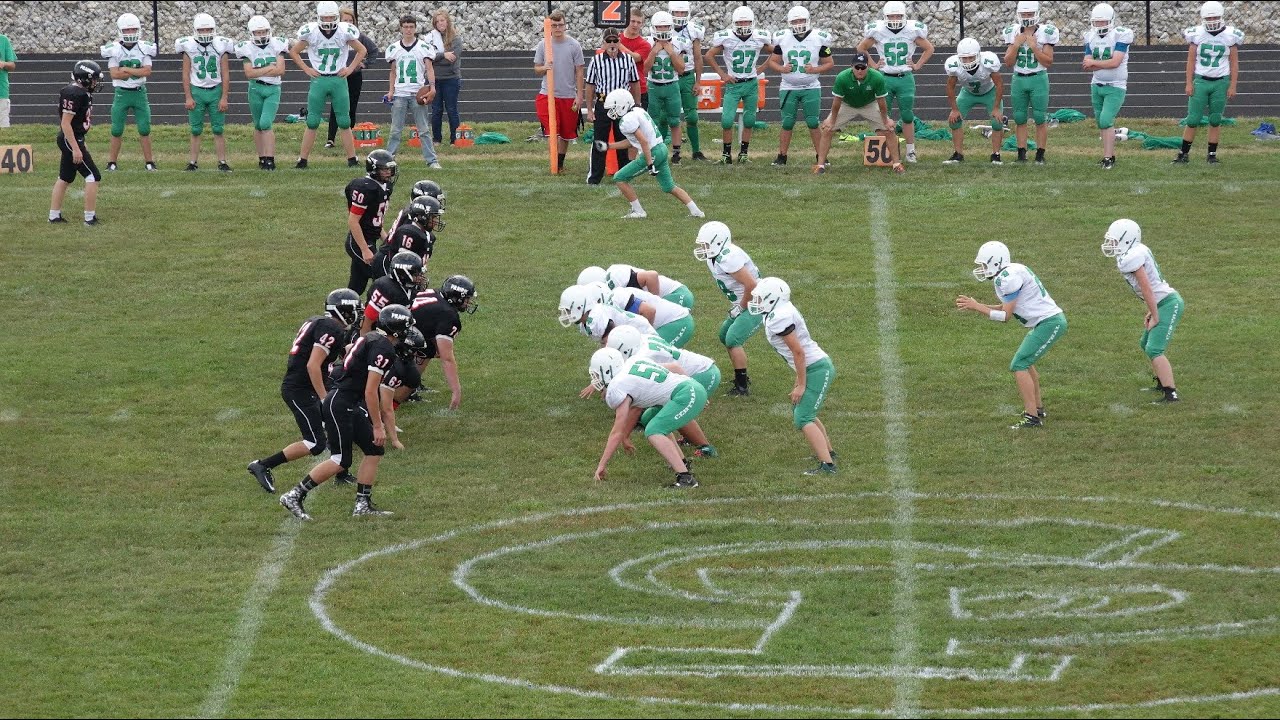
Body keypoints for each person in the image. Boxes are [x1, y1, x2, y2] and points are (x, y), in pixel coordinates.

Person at [279, 304, 414, 520]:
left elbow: (352, 352)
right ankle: (294, 495)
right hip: (341, 403)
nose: (409, 332)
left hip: (345, 400)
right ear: (396, 330)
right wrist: (378, 425)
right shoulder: (384, 349)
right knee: (341, 459)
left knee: (373, 450)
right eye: (407, 327)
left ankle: (362, 504)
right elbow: (371, 391)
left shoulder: (371, 337)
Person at [247, 288, 363, 493]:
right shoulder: (330, 329)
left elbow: (332, 353)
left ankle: (342, 472)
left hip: (309, 384)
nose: (358, 313)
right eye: (354, 309)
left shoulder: (323, 323)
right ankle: (262, 465)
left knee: (340, 422)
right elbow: (312, 365)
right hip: (301, 389)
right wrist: (324, 399)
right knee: (315, 443)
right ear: (344, 310)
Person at [956, 241, 1068, 430]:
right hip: (1047, 322)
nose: (982, 269)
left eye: (984, 265)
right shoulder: (1013, 270)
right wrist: (978, 306)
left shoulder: (1007, 279)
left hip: (1049, 323)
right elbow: (1006, 307)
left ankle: (1032, 416)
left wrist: (978, 307)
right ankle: (1038, 409)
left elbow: (1004, 316)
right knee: (1026, 361)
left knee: (1019, 364)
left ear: (995, 262)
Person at [748, 277, 838, 475]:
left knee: (803, 417)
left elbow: (799, 352)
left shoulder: (780, 317)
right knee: (803, 411)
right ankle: (828, 451)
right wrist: (799, 378)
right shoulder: (778, 311)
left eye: (761, 298)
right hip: (813, 366)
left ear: (773, 299)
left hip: (817, 367)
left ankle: (827, 465)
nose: (756, 302)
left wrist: (801, 384)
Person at [589, 348, 708, 489]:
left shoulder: (618, 386)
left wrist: (602, 465)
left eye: (597, 373)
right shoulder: (633, 361)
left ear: (607, 371)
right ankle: (682, 462)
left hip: (685, 393)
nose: (595, 378)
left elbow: (617, 432)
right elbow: (674, 368)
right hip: (690, 387)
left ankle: (686, 479)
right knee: (649, 417)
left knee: (653, 431)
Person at [1101, 220, 1183, 404]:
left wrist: (1155, 314)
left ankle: (1171, 393)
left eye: (1114, 240)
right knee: (1145, 342)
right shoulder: (1135, 251)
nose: (1111, 244)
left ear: (1126, 239)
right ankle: (1162, 382)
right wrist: (1151, 310)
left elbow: (1147, 288)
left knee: (1155, 348)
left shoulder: (1132, 257)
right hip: (1162, 302)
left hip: (1168, 303)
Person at [597, 89, 704, 220]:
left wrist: (649, 163)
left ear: (623, 105)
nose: (612, 111)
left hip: (652, 152)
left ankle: (638, 211)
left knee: (620, 178)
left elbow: (643, 141)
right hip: (661, 148)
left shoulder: (627, 120)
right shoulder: (638, 111)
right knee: (669, 186)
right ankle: (696, 211)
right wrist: (609, 146)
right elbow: (632, 142)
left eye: (614, 108)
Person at [290, 0, 367, 169]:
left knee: (344, 121)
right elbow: (294, 51)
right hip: (319, 79)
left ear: (337, 17)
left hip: (338, 79)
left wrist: (350, 68)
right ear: (319, 17)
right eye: (324, 18)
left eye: (331, 17)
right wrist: (307, 69)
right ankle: (302, 160)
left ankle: (352, 159)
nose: (327, 21)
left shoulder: (343, 31)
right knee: (312, 121)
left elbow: (362, 50)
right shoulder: (311, 32)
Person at [858, 1, 933, 164]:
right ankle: (885, 150)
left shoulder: (912, 30)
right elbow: (861, 48)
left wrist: (918, 64)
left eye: (898, 15)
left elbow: (929, 48)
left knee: (907, 115)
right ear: (885, 17)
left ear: (904, 16)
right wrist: (873, 64)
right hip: (884, 78)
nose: (895, 19)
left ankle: (910, 151)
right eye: (892, 16)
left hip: (905, 78)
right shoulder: (878, 30)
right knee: (883, 116)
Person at [694, 221, 762, 396]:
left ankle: (742, 387)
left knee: (733, 339)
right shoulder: (715, 256)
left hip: (757, 302)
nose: (703, 248)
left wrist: (740, 308)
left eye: (706, 244)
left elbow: (752, 286)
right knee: (724, 336)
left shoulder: (728, 258)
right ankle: (741, 377)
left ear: (718, 242)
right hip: (745, 301)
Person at [1174, 1, 1243, 165]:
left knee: (1215, 119)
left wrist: (1233, 85)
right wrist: (1189, 83)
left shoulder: (1230, 35)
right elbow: (1190, 61)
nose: (1212, 20)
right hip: (1201, 81)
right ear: (1203, 18)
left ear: (1221, 17)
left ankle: (1211, 155)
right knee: (1193, 119)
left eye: (1215, 17)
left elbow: (1234, 63)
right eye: (1209, 17)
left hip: (1221, 82)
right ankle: (1183, 154)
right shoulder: (1197, 34)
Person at [813, 52, 904, 174]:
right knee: (827, 130)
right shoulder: (842, 77)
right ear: (852, 67)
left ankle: (897, 164)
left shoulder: (877, 77)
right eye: (857, 67)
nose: (860, 70)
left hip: (870, 104)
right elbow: (836, 103)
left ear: (868, 67)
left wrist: (886, 120)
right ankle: (820, 165)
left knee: (889, 130)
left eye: (863, 67)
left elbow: (881, 102)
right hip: (847, 104)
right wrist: (832, 120)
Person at [768, 5, 835, 166]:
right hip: (788, 86)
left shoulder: (819, 38)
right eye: (795, 20)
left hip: (811, 86)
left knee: (813, 122)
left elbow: (830, 63)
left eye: (801, 20)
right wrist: (782, 69)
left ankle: (821, 157)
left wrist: (815, 69)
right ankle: (782, 156)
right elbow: (772, 61)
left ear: (808, 21)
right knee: (787, 122)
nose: (798, 23)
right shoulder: (782, 38)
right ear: (790, 22)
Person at [705, 6, 773, 164]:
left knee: (749, 120)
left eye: (746, 22)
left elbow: (776, 51)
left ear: (752, 23)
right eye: (740, 23)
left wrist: (762, 68)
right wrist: (723, 75)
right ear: (734, 23)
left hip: (750, 84)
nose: (743, 26)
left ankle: (743, 154)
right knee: (727, 121)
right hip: (733, 85)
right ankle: (726, 155)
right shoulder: (727, 38)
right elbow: (708, 55)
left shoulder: (758, 37)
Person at [408, 275, 477, 411]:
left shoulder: (435, 293)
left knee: (429, 347)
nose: (468, 302)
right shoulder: (448, 314)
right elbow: (447, 359)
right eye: (467, 298)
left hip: (396, 323)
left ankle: (410, 386)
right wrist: (456, 391)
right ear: (457, 297)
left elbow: (427, 321)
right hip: (393, 334)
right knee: (427, 349)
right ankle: (405, 386)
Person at [176, 13, 234, 172]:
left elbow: (225, 73)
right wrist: (188, 96)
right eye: (202, 30)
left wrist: (224, 97)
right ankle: (193, 162)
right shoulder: (189, 46)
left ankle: (222, 161)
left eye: (209, 29)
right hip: (197, 90)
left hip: (215, 90)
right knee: (195, 129)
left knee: (218, 129)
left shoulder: (221, 45)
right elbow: (185, 74)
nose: (206, 32)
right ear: (196, 30)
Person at [49, 60, 104, 226]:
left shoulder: (81, 92)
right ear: (84, 78)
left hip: (73, 138)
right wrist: (76, 148)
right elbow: (65, 124)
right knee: (93, 175)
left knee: (65, 177)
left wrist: (81, 143)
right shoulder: (74, 93)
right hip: (69, 139)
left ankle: (54, 216)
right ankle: (89, 218)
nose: (95, 82)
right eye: (93, 79)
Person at [101, 14, 158, 171]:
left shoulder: (144, 47)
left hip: (140, 93)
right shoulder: (114, 49)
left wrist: (126, 69)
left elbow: (147, 71)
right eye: (127, 29)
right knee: (116, 129)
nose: (131, 32)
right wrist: (136, 71)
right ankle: (112, 162)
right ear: (120, 31)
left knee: (144, 128)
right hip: (121, 93)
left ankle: (149, 162)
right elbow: (115, 74)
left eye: (134, 29)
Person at [1002, 1, 1056, 164]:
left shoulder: (1046, 32)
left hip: (1038, 78)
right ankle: (1021, 155)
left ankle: (1040, 155)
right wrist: (1017, 44)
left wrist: (1033, 47)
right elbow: (1008, 62)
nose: (1026, 18)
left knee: (1040, 117)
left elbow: (1048, 62)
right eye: (1024, 14)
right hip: (1019, 78)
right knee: (1019, 118)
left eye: (1029, 14)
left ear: (1037, 14)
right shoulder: (1013, 32)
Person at [584, 28, 640, 185]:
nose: (612, 44)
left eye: (615, 41)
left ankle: (624, 175)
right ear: (603, 43)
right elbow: (590, 85)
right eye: (609, 41)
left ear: (619, 42)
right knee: (599, 140)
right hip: (603, 103)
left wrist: (637, 106)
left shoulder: (628, 60)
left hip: (623, 106)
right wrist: (589, 109)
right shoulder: (596, 60)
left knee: (623, 139)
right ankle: (594, 178)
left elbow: (634, 83)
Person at [384, 15, 440, 169]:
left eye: (411, 26)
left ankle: (432, 160)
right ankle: (389, 160)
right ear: (401, 28)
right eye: (405, 26)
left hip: (418, 93)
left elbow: (429, 69)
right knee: (395, 130)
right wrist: (391, 91)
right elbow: (393, 72)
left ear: (415, 28)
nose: (408, 29)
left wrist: (432, 87)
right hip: (400, 93)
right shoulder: (394, 48)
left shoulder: (423, 47)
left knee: (423, 130)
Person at [533, 10, 585, 174]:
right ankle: (553, 163)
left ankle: (559, 163)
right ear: (549, 27)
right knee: (552, 130)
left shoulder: (574, 45)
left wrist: (579, 94)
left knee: (566, 133)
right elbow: (537, 69)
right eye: (554, 25)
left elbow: (579, 71)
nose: (557, 28)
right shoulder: (544, 44)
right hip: (547, 94)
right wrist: (544, 67)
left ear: (565, 26)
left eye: (560, 25)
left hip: (568, 95)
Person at [1083, 3, 1134, 170]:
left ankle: (1107, 158)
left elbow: (1116, 62)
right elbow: (1087, 64)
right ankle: (1109, 156)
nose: (1100, 25)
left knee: (1106, 120)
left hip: (1115, 85)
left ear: (1111, 21)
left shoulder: (1120, 35)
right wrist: (1101, 64)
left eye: (1103, 22)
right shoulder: (1089, 36)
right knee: (1101, 122)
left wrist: (1096, 63)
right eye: (1097, 22)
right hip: (1096, 84)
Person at [607, 325, 722, 397]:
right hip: (703, 367)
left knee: (656, 403)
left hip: (703, 374)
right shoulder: (643, 339)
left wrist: (695, 389)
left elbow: (675, 368)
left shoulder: (643, 356)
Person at [237, 15, 288, 171]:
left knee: (266, 123)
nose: (262, 35)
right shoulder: (246, 47)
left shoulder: (277, 44)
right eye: (258, 32)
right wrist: (268, 68)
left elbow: (280, 70)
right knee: (258, 125)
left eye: (264, 31)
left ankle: (270, 159)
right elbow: (249, 74)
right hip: (255, 88)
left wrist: (259, 70)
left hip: (273, 89)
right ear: (251, 33)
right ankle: (262, 158)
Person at [942, 39, 1005, 165]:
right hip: (968, 93)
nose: (968, 61)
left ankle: (996, 155)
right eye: (964, 58)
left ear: (978, 55)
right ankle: (958, 154)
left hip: (989, 92)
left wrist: (996, 108)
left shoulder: (988, 62)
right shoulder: (954, 65)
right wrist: (955, 110)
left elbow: (999, 84)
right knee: (954, 122)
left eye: (971, 58)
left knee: (997, 123)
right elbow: (950, 87)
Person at [343, 149, 397, 294]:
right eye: (384, 169)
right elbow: (353, 221)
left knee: (356, 287)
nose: (388, 172)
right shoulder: (366, 188)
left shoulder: (385, 187)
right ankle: (377, 311)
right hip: (359, 242)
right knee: (383, 280)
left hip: (370, 239)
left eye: (389, 169)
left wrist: (387, 241)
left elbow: (375, 221)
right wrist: (365, 249)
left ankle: (342, 309)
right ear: (373, 169)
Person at [327, 7, 378, 151]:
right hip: (338, 77)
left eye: (351, 21)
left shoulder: (359, 37)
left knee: (351, 107)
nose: (348, 23)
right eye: (345, 20)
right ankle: (331, 138)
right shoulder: (335, 36)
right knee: (335, 107)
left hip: (354, 77)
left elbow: (373, 50)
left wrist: (364, 64)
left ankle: (348, 138)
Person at [669, 1, 708, 161]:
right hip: (670, 77)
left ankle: (696, 151)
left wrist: (698, 81)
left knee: (692, 117)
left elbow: (698, 57)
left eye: (682, 13)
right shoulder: (664, 27)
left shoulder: (694, 30)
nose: (679, 16)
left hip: (687, 76)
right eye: (677, 13)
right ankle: (666, 151)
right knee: (668, 117)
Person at [643, 11, 687, 148]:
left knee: (674, 121)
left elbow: (681, 69)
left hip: (672, 85)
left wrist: (671, 52)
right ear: (653, 28)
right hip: (654, 86)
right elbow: (644, 69)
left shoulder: (678, 42)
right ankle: (654, 150)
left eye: (666, 26)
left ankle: (676, 153)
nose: (663, 30)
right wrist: (654, 51)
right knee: (652, 121)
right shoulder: (648, 42)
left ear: (671, 27)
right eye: (660, 27)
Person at [372, 196, 442, 279]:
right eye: (433, 217)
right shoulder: (410, 232)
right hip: (390, 265)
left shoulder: (427, 235)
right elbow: (403, 263)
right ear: (423, 216)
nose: (436, 221)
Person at [608, 285, 695, 347]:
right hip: (673, 320)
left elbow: (650, 311)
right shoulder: (616, 295)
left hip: (678, 322)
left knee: (649, 355)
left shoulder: (619, 299)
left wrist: (646, 337)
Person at [362, 251, 424, 336]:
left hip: (396, 330)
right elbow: (368, 321)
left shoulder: (411, 286)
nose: (420, 277)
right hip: (377, 333)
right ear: (404, 274)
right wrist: (367, 345)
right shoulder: (385, 288)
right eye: (416, 274)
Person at [428, 9, 464, 146]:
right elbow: (428, 56)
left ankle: (455, 139)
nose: (440, 23)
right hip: (435, 79)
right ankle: (436, 139)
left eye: (442, 20)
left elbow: (453, 58)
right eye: (437, 21)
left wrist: (437, 57)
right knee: (436, 110)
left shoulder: (456, 38)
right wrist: (443, 55)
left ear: (447, 21)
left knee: (451, 109)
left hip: (451, 79)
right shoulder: (431, 38)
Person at [604, 263, 695, 309]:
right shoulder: (613, 277)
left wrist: (654, 301)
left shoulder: (618, 279)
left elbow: (652, 275)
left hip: (678, 294)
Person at [619, 7, 653, 108]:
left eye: (639, 22)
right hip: (619, 88)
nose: (635, 25)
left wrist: (618, 45)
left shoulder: (645, 44)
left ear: (642, 24)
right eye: (633, 21)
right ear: (626, 21)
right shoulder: (616, 38)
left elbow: (634, 58)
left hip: (639, 90)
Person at [0, 32, 14, 128]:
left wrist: (3, 64)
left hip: (1, 90)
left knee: (3, 126)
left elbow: (12, 65)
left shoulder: (3, 40)